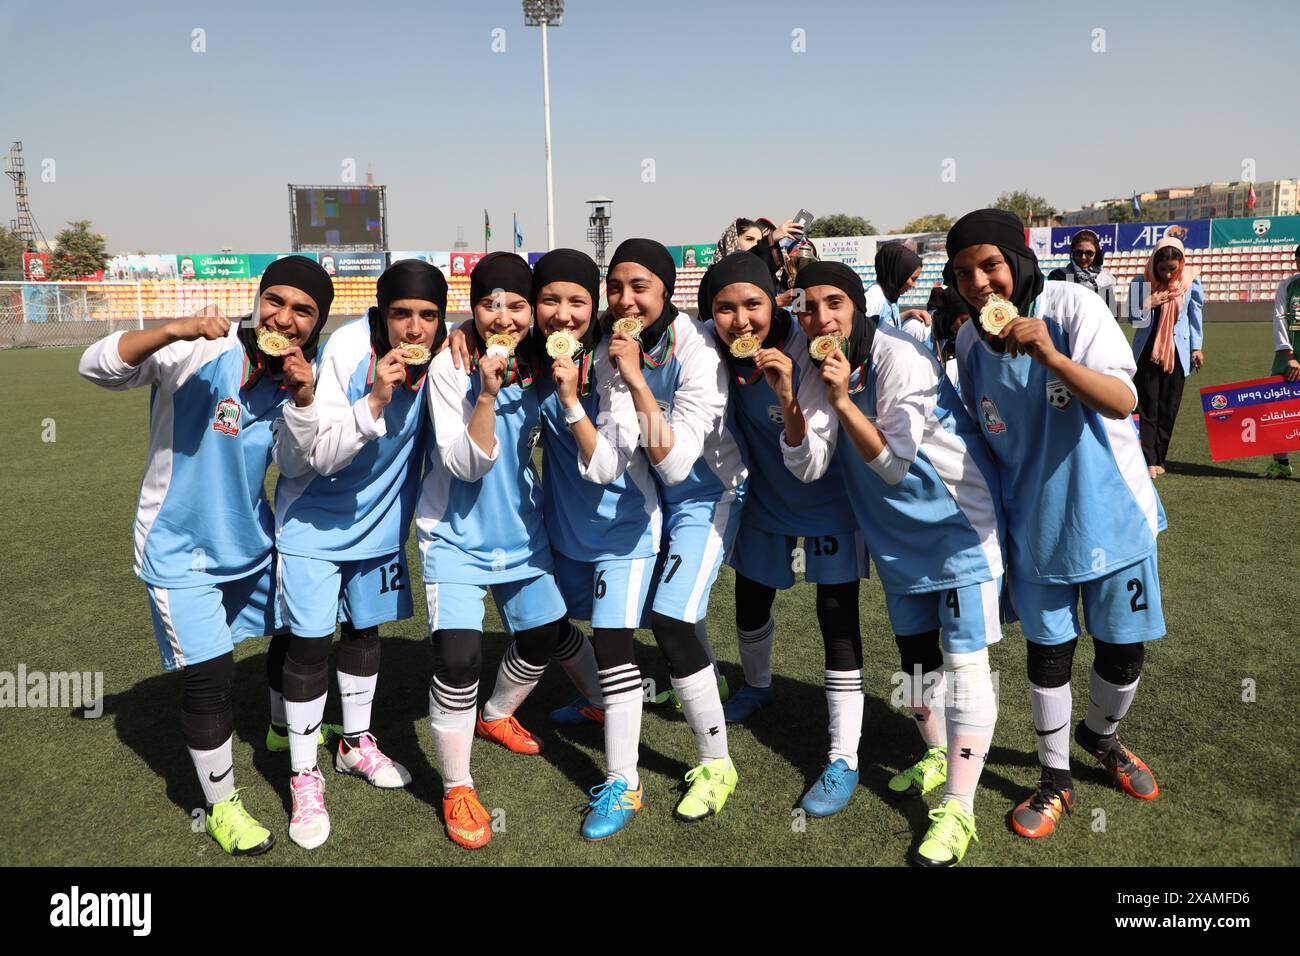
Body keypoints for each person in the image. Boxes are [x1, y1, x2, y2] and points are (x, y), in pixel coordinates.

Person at [77, 255, 333, 856]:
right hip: (179, 549)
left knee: (298, 636)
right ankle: (222, 806)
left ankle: (278, 733)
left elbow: (295, 465)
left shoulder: (300, 373)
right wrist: (172, 329)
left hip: (251, 542)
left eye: (304, 311)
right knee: (211, 678)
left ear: (316, 322)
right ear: (257, 299)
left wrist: (301, 398)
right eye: (276, 301)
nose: (286, 318)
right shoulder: (198, 350)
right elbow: (95, 368)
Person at [948, 209, 1165, 842]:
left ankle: (1103, 737)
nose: (980, 283)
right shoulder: (968, 341)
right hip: (1034, 524)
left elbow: (1125, 401)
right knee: (1049, 655)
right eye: (964, 273)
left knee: (1122, 649)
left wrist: (1050, 354)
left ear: (1017, 260)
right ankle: (1053, 778)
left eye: (990, 265)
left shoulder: (1072, 307)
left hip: (1111, 512)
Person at [783, 260, 1003, 865]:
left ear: (858, 306)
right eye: (808, 307)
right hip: (895, 537)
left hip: (959, 526)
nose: (820, 318)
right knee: (914, 663)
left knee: (963, 666)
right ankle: (936, 752)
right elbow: (809, 464)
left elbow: (895, 465)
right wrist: (792, 402)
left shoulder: (897, 353)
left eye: (834, 303)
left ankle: (959, 807)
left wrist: (839, 400)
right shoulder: (811, 358)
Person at [269, 259, 448, 849]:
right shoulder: (347, 349)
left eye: (427, 316)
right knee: (311, 643)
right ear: (381, 315)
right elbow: (314, 456)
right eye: (401, 315)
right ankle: (302, 774)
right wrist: (374, 401)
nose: (414, 330)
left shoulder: (445, 356)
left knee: (364, 635)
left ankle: (354, 744)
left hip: (378, 531)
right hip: (313, 526)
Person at [699, 252, 869, 818]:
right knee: (750, 599)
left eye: (754, 304)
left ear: (776, 302)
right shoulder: (708, 342)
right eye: (726, 308)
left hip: (827, 496)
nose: (741, 321)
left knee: (836, 616)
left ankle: (843, 757)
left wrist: (787, 396)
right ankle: (758, 685)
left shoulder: (808, 348)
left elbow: (813, 461)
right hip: (766, 499)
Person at [416, 251, 572, 850]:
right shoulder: (450, 366)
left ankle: (497, 713)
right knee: (457, 659)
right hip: (454, 534)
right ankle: (457, 786)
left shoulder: (545, 358)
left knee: (540, 637)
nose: (501, 315)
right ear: (471, 308)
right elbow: (464, 464)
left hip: (522, 534)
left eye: (514, 303)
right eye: (487, 304)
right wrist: (485, 391)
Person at [603, 238, 749, 823]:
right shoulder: (614, 339)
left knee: (671, 617)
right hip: (654, 499)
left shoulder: (698, 347)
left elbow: (676, 463)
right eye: (615, 288)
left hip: (708, 495)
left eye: (640, 287)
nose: (626, 300)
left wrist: (636, 380)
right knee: (667, 612)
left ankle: (717, 763)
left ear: (666, 291)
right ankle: (647, 700)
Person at [526, 248, 658, 841]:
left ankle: (624, 781)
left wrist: (573, 399)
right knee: (551, 625)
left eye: (577, 300)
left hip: (625, 529)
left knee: (614, 643)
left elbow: (606, 465)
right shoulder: (529, 356)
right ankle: (603, 704)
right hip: (567, 532)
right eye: (550, 300)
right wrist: (458, 337)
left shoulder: (611, 360)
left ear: (594, 306)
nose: (563, 313)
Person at [1127, 236, 1204, 477]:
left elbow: (1194, 316)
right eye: (1162, 269)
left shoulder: (1191, 282)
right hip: (1146, 355)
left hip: (1177, 355)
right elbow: (1133, 319)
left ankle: (1161, 457)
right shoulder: (1141, 282)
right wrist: (1149, 302)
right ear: (1153, 264)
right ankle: (1149, 459)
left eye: (1173, 269)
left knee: (1168, 409)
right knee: (1147, 407)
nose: (1168, 275)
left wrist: (1196, 348)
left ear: (1181, 263)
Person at [1263, 244, 1300, 478]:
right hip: (1289, 360)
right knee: (1278, 410)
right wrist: (1290, 356)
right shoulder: (1288, 286)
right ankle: (1281, 463)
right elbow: (1279, 319)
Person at [865, 241, 932, 343]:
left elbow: (884, 325)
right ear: (899, 273)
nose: (914, 285)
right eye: (913, 279)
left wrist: (908, 313)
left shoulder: (890, 296)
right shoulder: (873, 299)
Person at [1048, 229, 1117, 314]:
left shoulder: (1105, 280)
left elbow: (1112, 315)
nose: (1083, 257)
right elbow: (1052, 310)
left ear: (1097, 254)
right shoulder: (1059, 276)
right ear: (1072, 253)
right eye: (1078, 253)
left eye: (1089, 253)